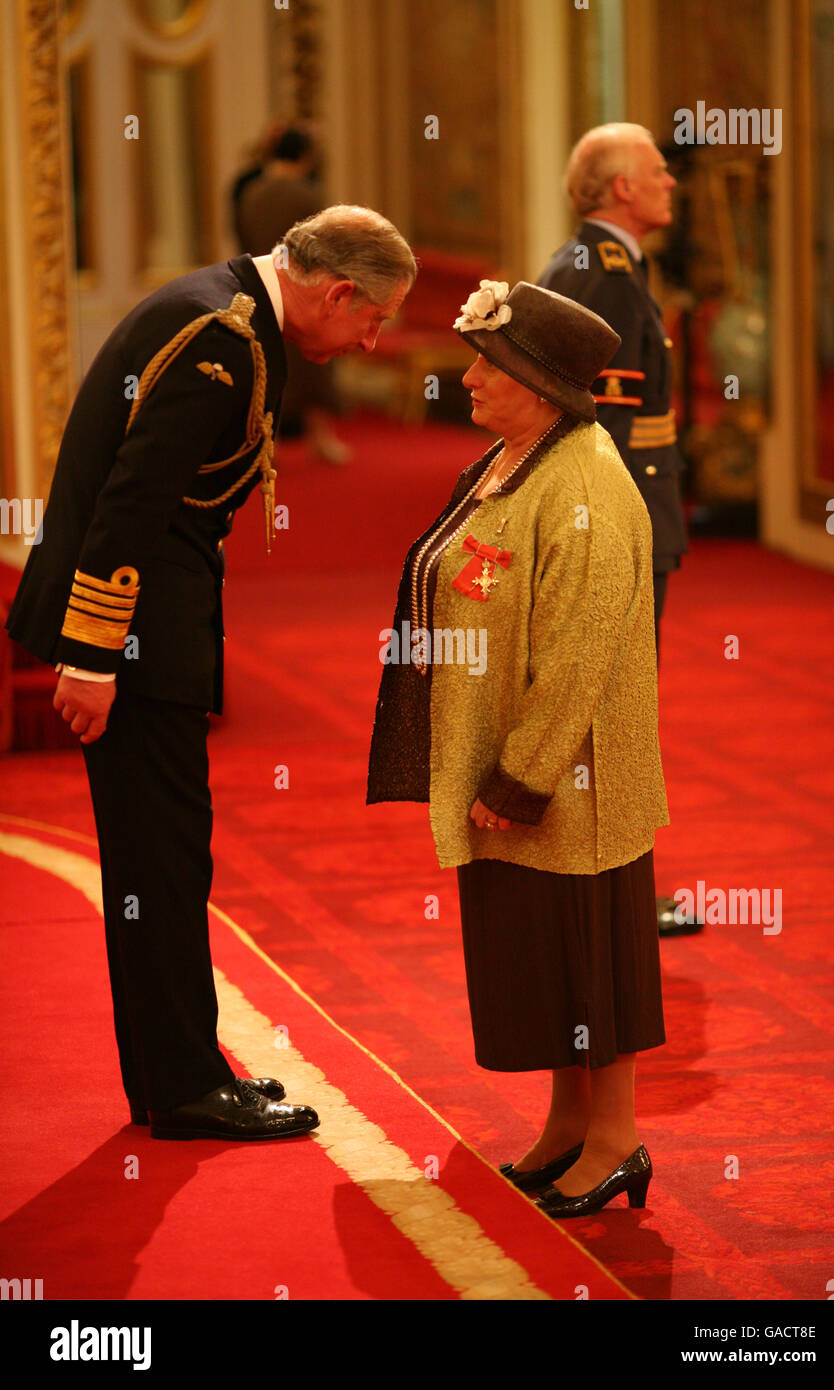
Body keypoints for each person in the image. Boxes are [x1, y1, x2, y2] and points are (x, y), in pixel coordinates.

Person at [7, 205, 416, 1141]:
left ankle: (178, 1068)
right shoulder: (223, 344)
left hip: (153, 630)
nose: (373, 338)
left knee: (170, 856)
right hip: (133, 641)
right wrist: (91, 655)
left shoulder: (236, 316)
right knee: (160, 860)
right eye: (374, 318)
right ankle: (185, 1087)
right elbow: (132, 503)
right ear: (337, 290)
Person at [367, 280, 669, 1217]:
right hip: (508, 761)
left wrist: (520, 778)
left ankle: (616, 1138)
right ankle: (568, 1120)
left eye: (486, 366)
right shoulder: (519, 456)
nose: (466, 379)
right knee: (537, 956)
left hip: (567, 784)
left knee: (586, 954)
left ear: (539, 382)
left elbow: (580, 653)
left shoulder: (585, 485)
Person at [537, 122, 701, 937]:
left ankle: (618, 884)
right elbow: (585, 418)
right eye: (659, 174)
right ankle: (611, 890)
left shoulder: (608, 269)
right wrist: (608, 530)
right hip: (621, 521)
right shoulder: (599, 276)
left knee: (617, 709)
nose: (673, 183)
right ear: (621, 190)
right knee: (611, 709)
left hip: (633, 515)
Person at [234, 124, 351, 464]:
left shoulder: (251, 193)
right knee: (313, 362)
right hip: (307, 288)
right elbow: (327, 246)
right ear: (305, 156)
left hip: (261, 285)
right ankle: (321, 437)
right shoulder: (307, 196)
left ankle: (271, 443)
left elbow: (243, 241)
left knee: (269, 364)